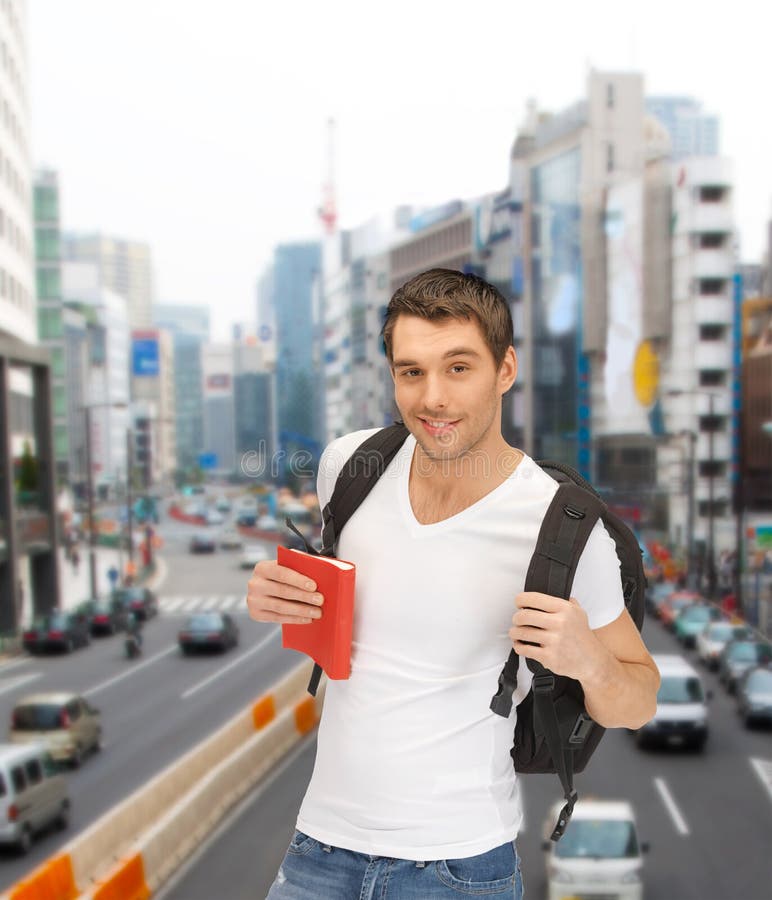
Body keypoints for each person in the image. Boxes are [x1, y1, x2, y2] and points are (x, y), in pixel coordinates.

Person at [247, 269, 660, 900]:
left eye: (458, 367)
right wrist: (279, 596)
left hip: (458, 869)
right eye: (411, 371)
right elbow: (350, 616)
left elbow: (639, 700)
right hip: (318, 852)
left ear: (506, 369)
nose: (432, 397)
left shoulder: (565, 527)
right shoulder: (351, 467)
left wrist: (589, 660)